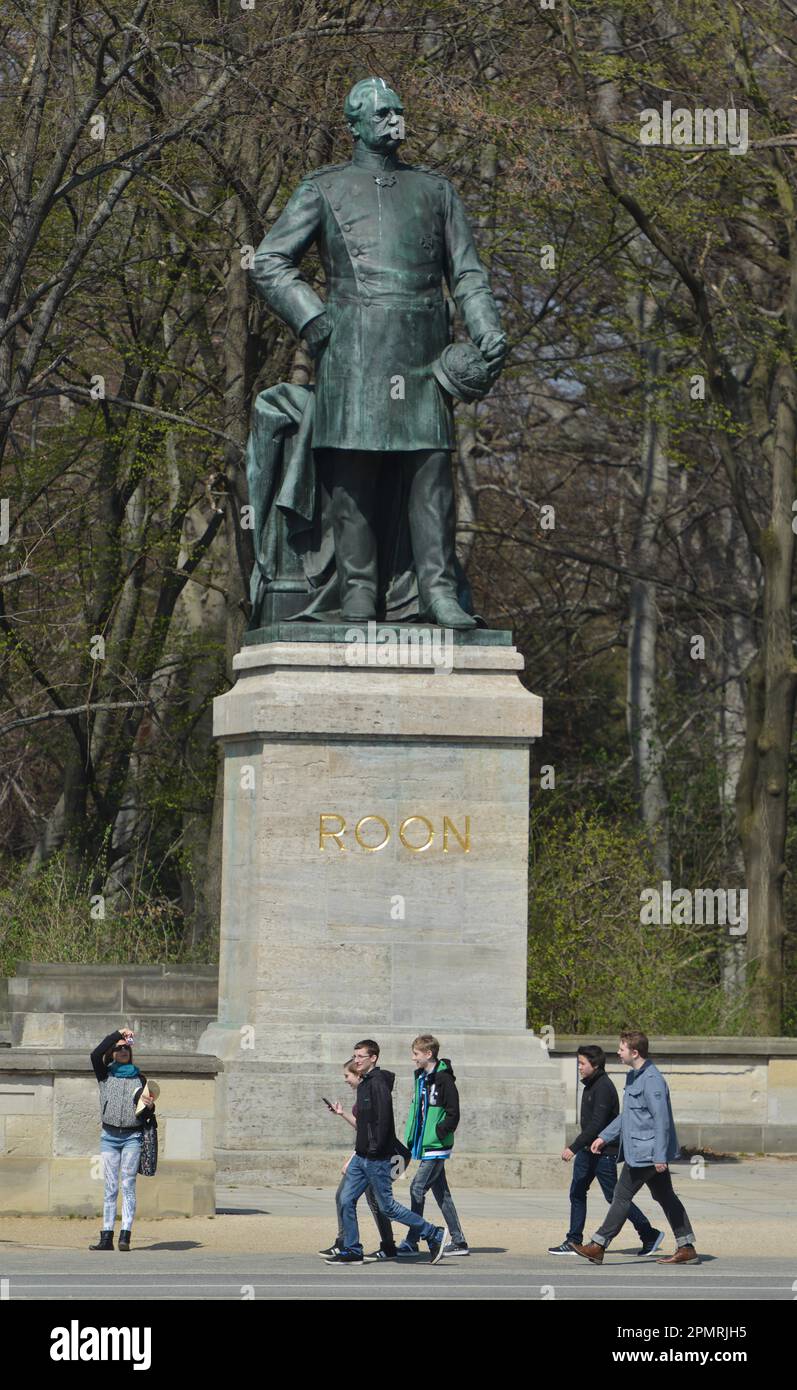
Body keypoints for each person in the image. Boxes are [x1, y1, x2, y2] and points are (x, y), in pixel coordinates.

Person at [250, 77, 507, 628]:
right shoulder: (323, 187)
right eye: (384, 113)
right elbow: (269, 261)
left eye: (400, 111)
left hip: (424, 349)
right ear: (354, 125)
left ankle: (438, 593)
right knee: (354, 474)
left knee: (430, 472)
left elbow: (467, 274)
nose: (396, 121)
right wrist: (311, 316)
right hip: (353, 346)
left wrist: (486, 330)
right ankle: (359, 593)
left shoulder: (436, 191)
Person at [571, 1031, 699, 1265]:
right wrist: (604, 1136)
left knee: (621, 1196)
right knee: (665, 1196)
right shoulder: (633, 1078)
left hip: (647, 1153)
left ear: (635, 1052)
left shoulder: (652, 1080)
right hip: (639, 1150)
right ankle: (686, 1246)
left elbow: (662, 1120)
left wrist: (660, 1155)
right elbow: (626, 1117)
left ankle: (598, 1245)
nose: (618, 1052)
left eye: (622, 1048)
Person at [328, 1038, 448, 1265]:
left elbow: (384, 1122)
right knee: (345, 1199)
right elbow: (365, 1124)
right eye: (354, 1056)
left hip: (376, 1158)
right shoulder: (364, 1083)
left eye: (360, 1056)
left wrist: (375, 1150)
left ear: (373, 1058)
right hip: (361, 1156)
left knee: (388, 1207)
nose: (356, 1060)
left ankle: (433, 1233)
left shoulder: (378, 1084)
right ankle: (353, 1250)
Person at [548, 1045, 662, 1257]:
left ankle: (649, 1234)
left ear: (596, 1065)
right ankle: (573, 1240)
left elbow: (597, 1124)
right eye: (578, 1063)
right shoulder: (590, 1085)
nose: (579, 1067)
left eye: (582, 1063)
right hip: (587, 1150)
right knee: (577, 1192)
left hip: (604, 1152)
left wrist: (573, 1147)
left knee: (616, 1198)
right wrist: (581, 1147)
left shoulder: (604, 1087)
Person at [319, 1059, 398, 1262]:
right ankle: (347, 1242)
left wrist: (353, 1159)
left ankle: (421, 1236)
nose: (346, 1080)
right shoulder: (363, 1095)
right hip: (369, 1155)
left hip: (382, 1156)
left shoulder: (372, 1092)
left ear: (357, 1074)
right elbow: (362, 1129)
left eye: (347, 1076)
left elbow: (373, 1134)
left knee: (379, 1202)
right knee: (347, 1197)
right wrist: (342, 1113)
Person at [398, 1034, 468, 1257]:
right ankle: (459, 1241)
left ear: (428, 1054)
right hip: (426, 1144)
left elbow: (453, 1113)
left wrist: (438, 1132)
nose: (413, 1058)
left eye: (416, 1054)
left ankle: (413, 1238)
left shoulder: (444, 1079)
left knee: (416, 1188)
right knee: (442, 1194)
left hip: (436, 1145)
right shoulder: (421, 1077)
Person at [88, 1027, 156, 1252]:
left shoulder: (140, 1078)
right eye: (118, 1048)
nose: (123, 1050)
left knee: (128, 1185)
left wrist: (150, 1107)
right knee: (110, 1188)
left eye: (126, 1047)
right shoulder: (104, 1073)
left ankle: (125, 1235)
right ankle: (106, 1237)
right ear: (112, 1052)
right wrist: (116, 1033)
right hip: (109, 1137)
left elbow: (144, 1113)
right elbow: (94, 1054)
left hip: (132, 1137)